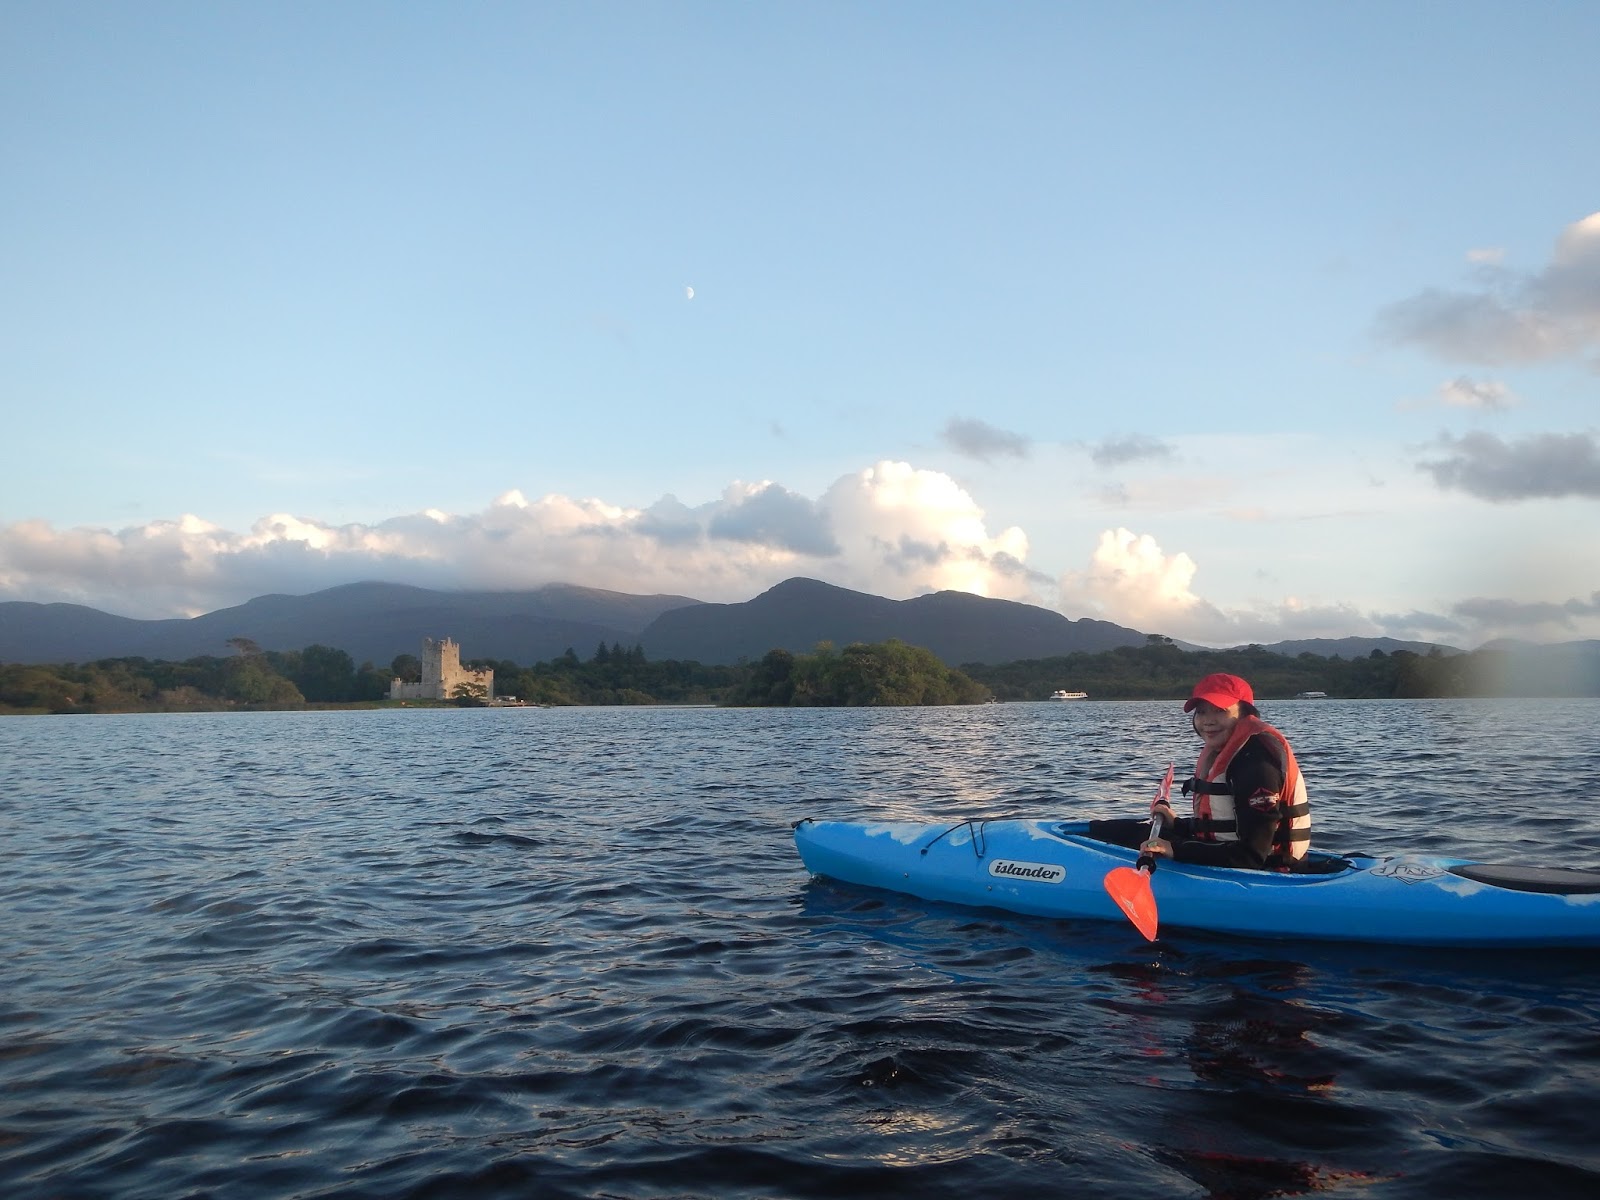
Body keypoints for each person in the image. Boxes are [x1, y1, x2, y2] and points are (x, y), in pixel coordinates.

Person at [1089, 672, 1311, 870]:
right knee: (1117, 830)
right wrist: (1177, 824)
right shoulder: (1233, 750)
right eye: (1202, 712)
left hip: (1269, 870)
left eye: (1220, 711)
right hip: (1230, 853)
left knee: (1134, 837)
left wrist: (1174, 849)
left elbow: (1252, 856)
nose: (1208, 721)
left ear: (1245, 714)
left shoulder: (1256, 763)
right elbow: (1231, 826)